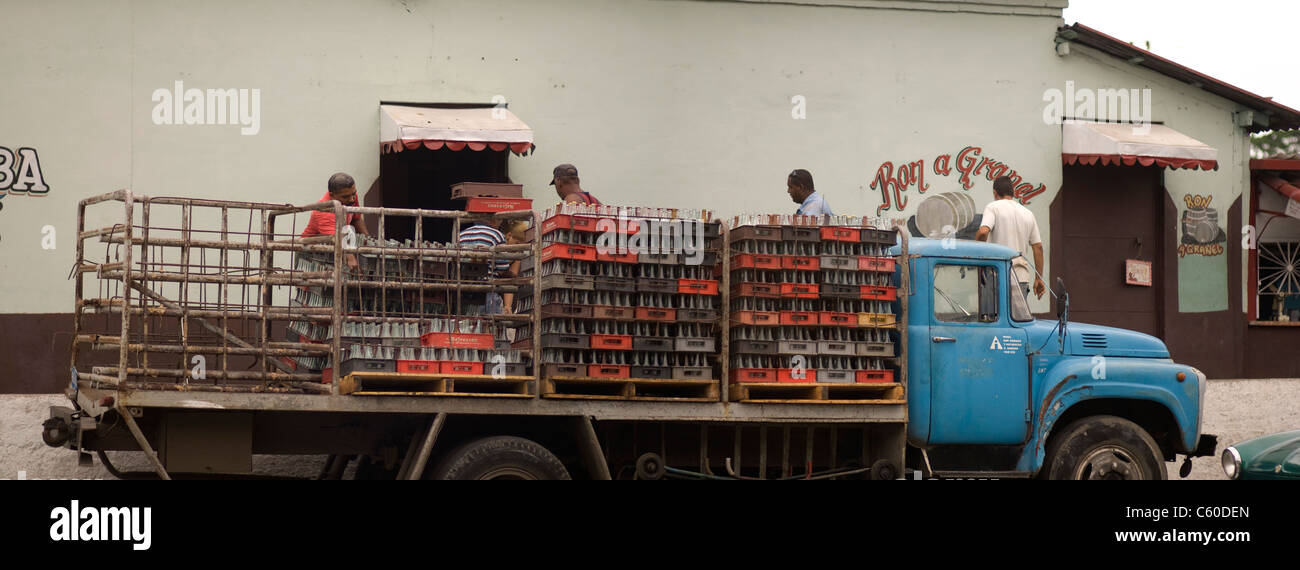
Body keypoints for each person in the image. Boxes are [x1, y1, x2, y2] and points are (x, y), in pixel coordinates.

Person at [976, 176, 1045, 299]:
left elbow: (983, 232)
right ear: (1012, 193)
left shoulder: (993, 207)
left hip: (996, 276)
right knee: (1016, 318)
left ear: (994, 192)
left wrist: (974, 258)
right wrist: (1039, 279)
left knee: (993, 317)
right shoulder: (1028, 213)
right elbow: (1038, 247)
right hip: (1021, 278)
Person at [301, 172, 370, 273]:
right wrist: (350, 258)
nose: (352, 199)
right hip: (311, 255)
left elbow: (356, 218)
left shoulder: (351, 195)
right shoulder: (323, 210)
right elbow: (337, 237)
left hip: (334, 248)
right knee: (320, 284)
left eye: (353, 193)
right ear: (332, 195)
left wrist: (367, 240)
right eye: (345, 197)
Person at [458, 219, 529, 314]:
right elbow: (502, 271)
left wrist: (507, 306)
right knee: (489, 324)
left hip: (462, 291)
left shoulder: (461, 235)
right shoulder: (496, 235)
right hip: (487, 291)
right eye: (517, 243)